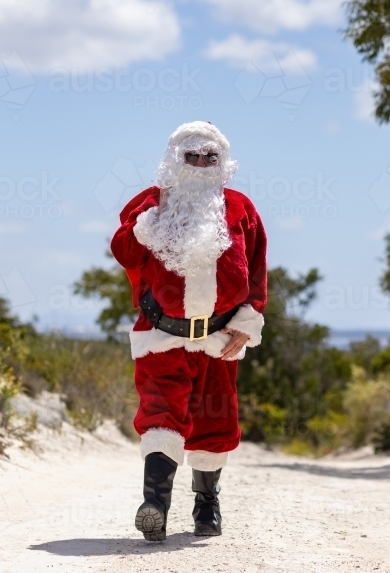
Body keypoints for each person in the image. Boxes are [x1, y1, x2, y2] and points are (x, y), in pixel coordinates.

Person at [110, 121, 267, 540]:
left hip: (218, 339)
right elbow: (122, 251)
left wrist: (248, 324)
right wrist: (144, 226)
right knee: (162, 414)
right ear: (175, 159)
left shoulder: (240, 208)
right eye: (191, 156)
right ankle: (155, 504)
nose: (200, 164)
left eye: (209, 157)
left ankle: (206, 506)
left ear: (221, 163)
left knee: (214, 424)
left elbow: (255, 270)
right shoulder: (152, 202)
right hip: (161, 337)